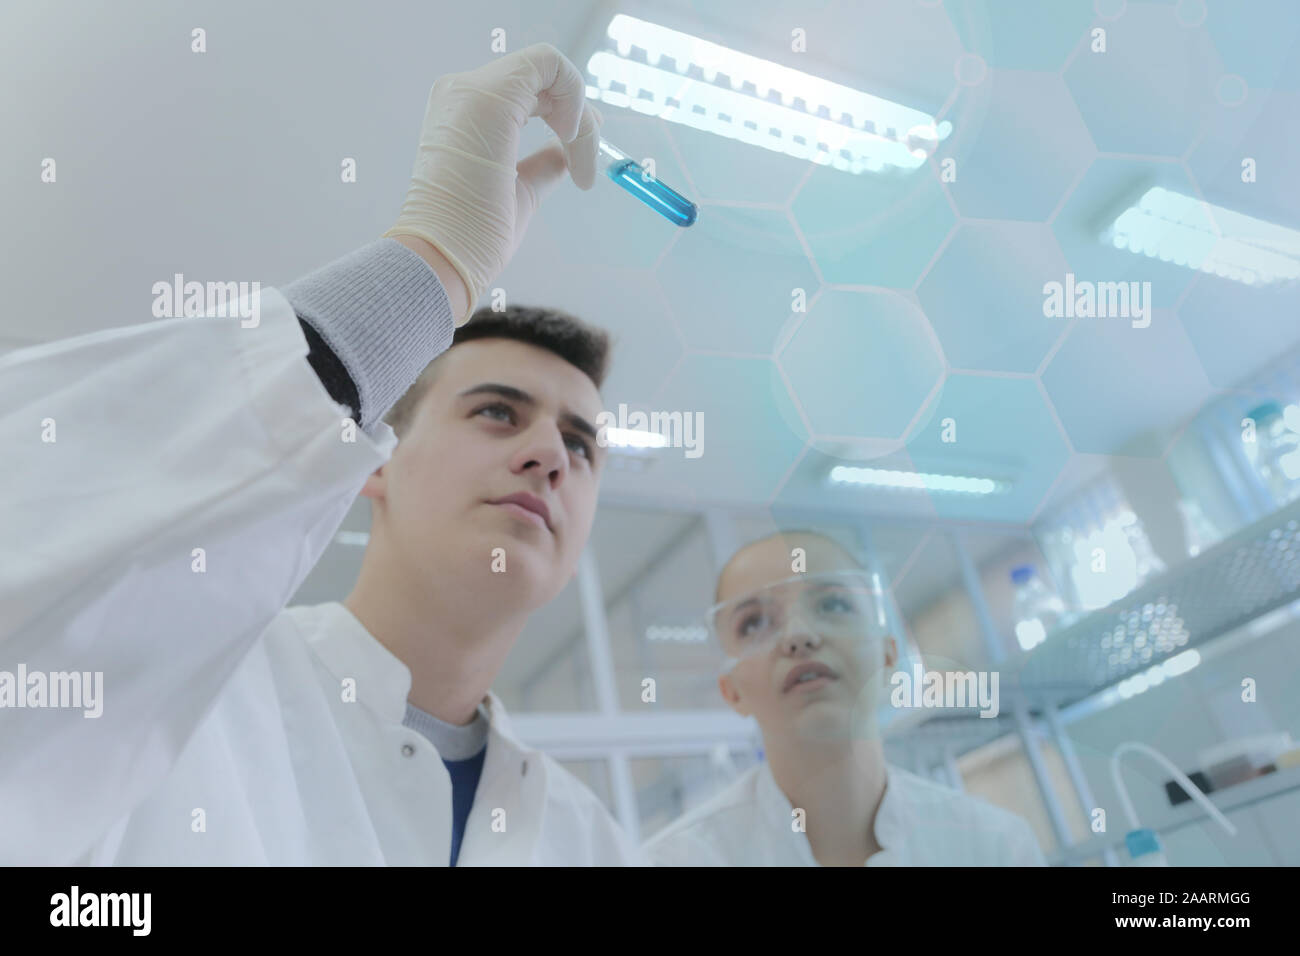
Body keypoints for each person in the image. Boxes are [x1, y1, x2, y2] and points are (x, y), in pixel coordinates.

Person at [0, 44, 642, 865]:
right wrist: (429, 269)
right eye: (496, 412)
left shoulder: (591, 841)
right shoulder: (190, 690)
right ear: (373, 461)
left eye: (580, 443)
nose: (550, 454)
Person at [643, 530, 1046, 866]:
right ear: (732, 691)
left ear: (889, 655)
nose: (799, 636)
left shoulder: (994, 848)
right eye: (755, 623)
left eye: (833, 604)